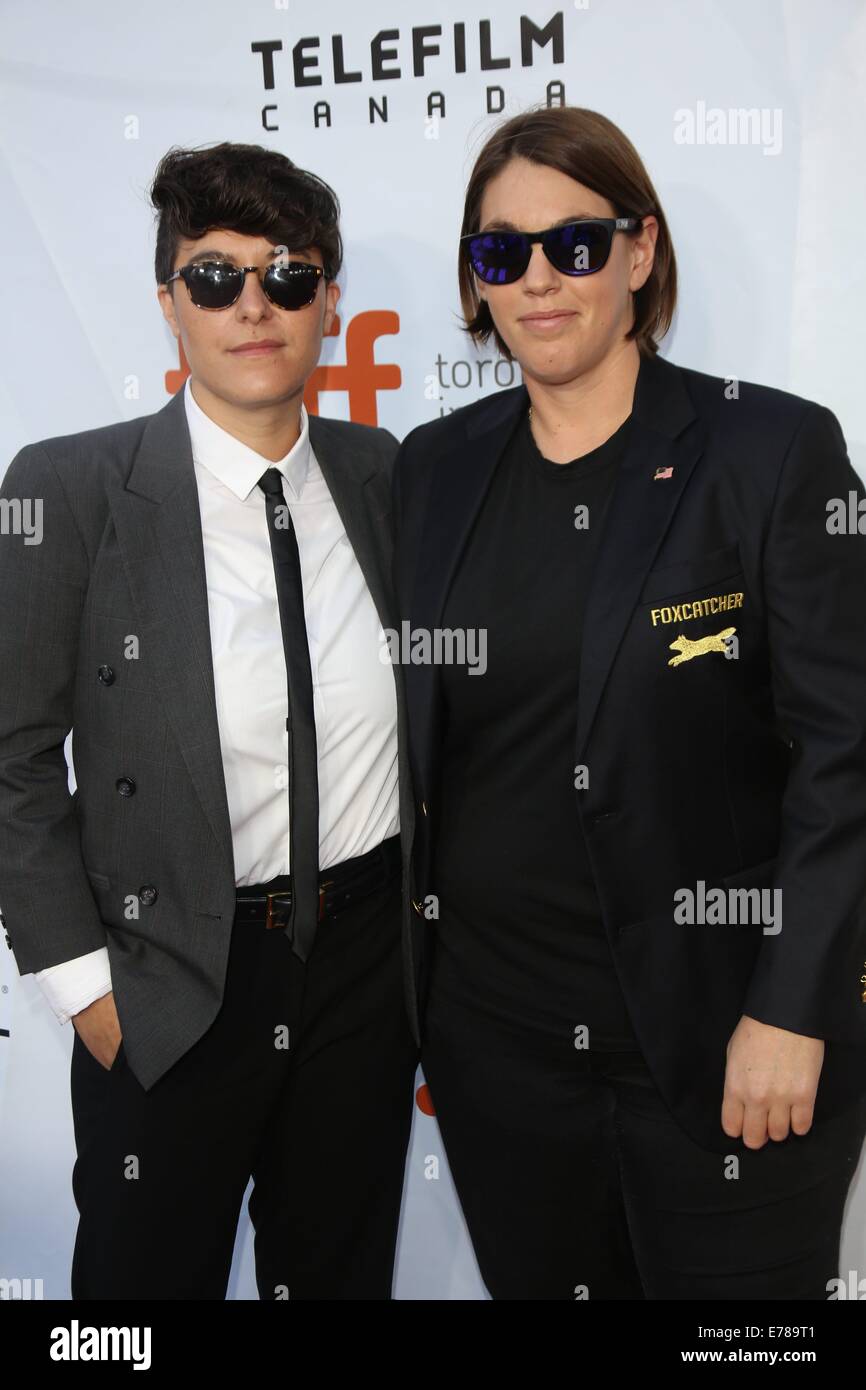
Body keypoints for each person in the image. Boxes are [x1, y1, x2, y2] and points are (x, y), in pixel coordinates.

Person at [392, 104, 866, 1300]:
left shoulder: (768, 451)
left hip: (726, 1049)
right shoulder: (434, 471)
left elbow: (842, 752)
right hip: (499, 1059)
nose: (538, 280)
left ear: (639, 253)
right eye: (500, 253)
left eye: (576, 244)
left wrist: (790, 1007)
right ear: (474, 277)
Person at [0, 141, 419, 1300]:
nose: (253, 306)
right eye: (213, 276)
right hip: (170, 974)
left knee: (336, 1276)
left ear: (329, 302)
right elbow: (11, 756)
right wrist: (85, 990)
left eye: (286, 277)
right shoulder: (71, 488)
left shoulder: (384, 476)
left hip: (364, 972)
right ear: (167, 304)